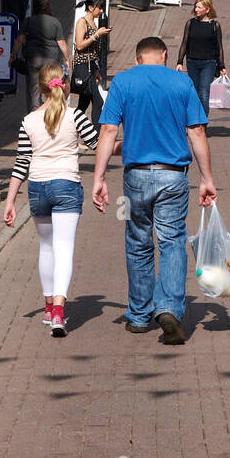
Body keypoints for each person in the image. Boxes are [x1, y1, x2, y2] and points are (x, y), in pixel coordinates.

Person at [92, 36, 217, 345]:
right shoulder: (181, 82)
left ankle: (137, 315)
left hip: (135, 176)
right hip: (174, 176)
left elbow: (108, 130)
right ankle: (170, 308)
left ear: (137, 59)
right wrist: (207, 178)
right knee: (172, 241)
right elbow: (196, 131)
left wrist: (98, 178)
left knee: (138, 242)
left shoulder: (123, 82)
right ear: (163, 55)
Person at [4, 62, 99, 337]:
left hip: (37, 188)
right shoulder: (75, 117)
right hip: (67, 184)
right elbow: (96, 144)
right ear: (64, 85)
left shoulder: (28, 121)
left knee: (46, 248)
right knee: (64, 248)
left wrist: (11, 200)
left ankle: (48, 308)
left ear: (41, 87)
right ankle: (59, 311)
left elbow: (22, 161)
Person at [11, 0, 71, 114]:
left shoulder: (28, 21)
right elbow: (62, 43)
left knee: (33, 91)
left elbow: (19, 39)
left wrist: (13, 55)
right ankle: (48, 114)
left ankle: (34, 115)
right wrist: (67, 58)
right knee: (50, 88)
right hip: (51, 62)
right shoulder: (55, 22)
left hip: (33, 60)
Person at [177, 0, 227, 118]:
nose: (196, 9)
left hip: (208, 63)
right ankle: (194, 118)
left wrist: (222, 66)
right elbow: (184, 43)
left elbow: (219, 46)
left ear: (207, 9)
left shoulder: (215, 25)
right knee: (194, 93)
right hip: (192, 62)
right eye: (196, 6)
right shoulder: (191, 23)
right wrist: (179, 62)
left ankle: (202, 121)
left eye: (199, 7)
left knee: (204, 92)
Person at [72, 0, 111, 127]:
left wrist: (97, 70)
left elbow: (94, 51)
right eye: (99, 7)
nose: (101, 11)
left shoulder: (94, 23)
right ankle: (97, 137)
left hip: (90, 66)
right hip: (82, 66)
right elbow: (79, 45)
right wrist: (97, 35)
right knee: (98, 101)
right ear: (90, 7)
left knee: (83, 105)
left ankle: (70, 129)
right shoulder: (82, 22)